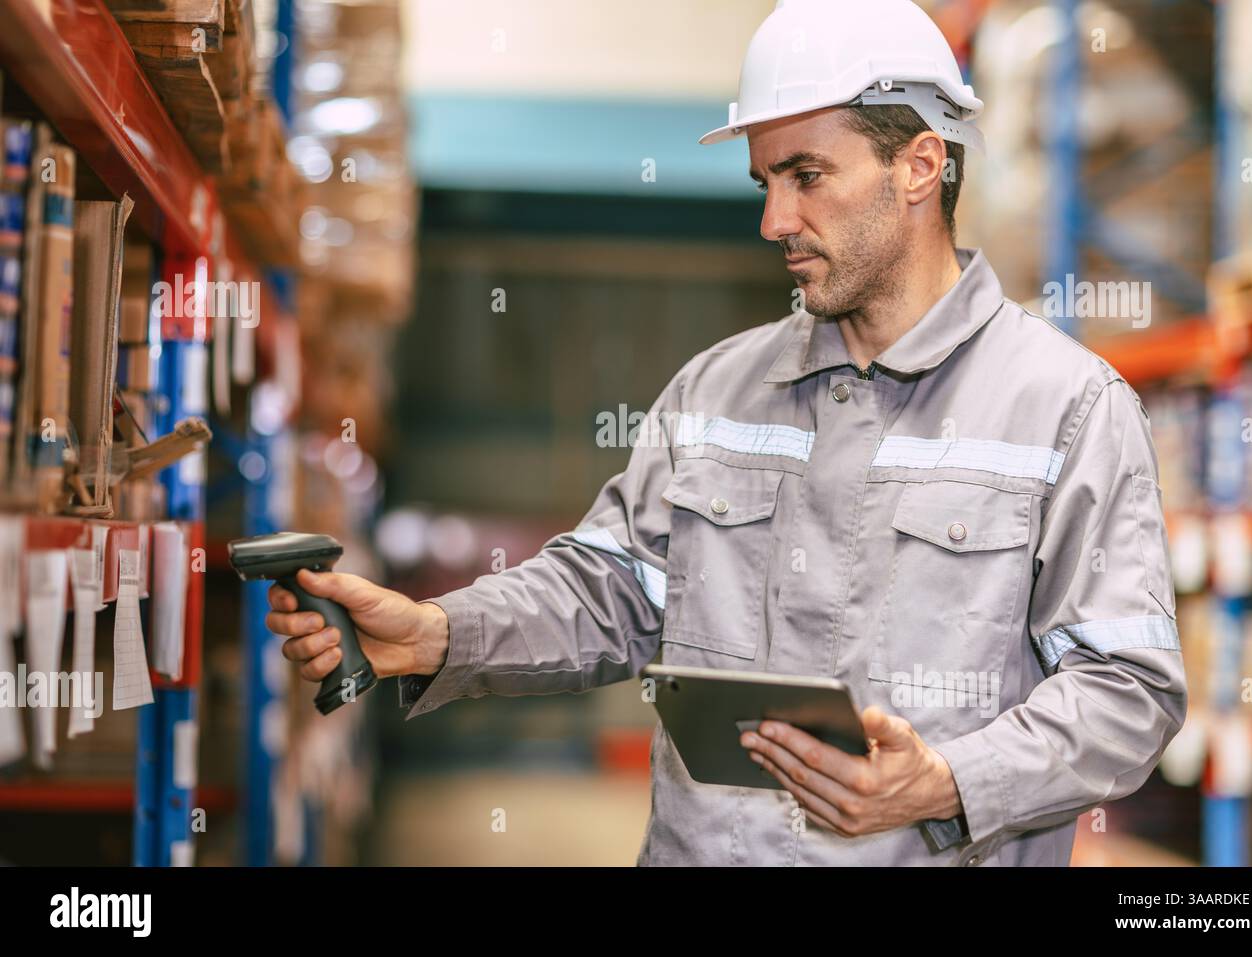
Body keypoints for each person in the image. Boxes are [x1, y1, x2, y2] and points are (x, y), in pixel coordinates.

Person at [266, 0, 1186, 866]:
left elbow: (1128, 693)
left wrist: (944, 783)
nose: (773, 221)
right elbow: (609, 589)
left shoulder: (1068, 409)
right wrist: (437, 632)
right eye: (766, 181)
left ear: (919, 165)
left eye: (806, 177)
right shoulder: (715, 390)